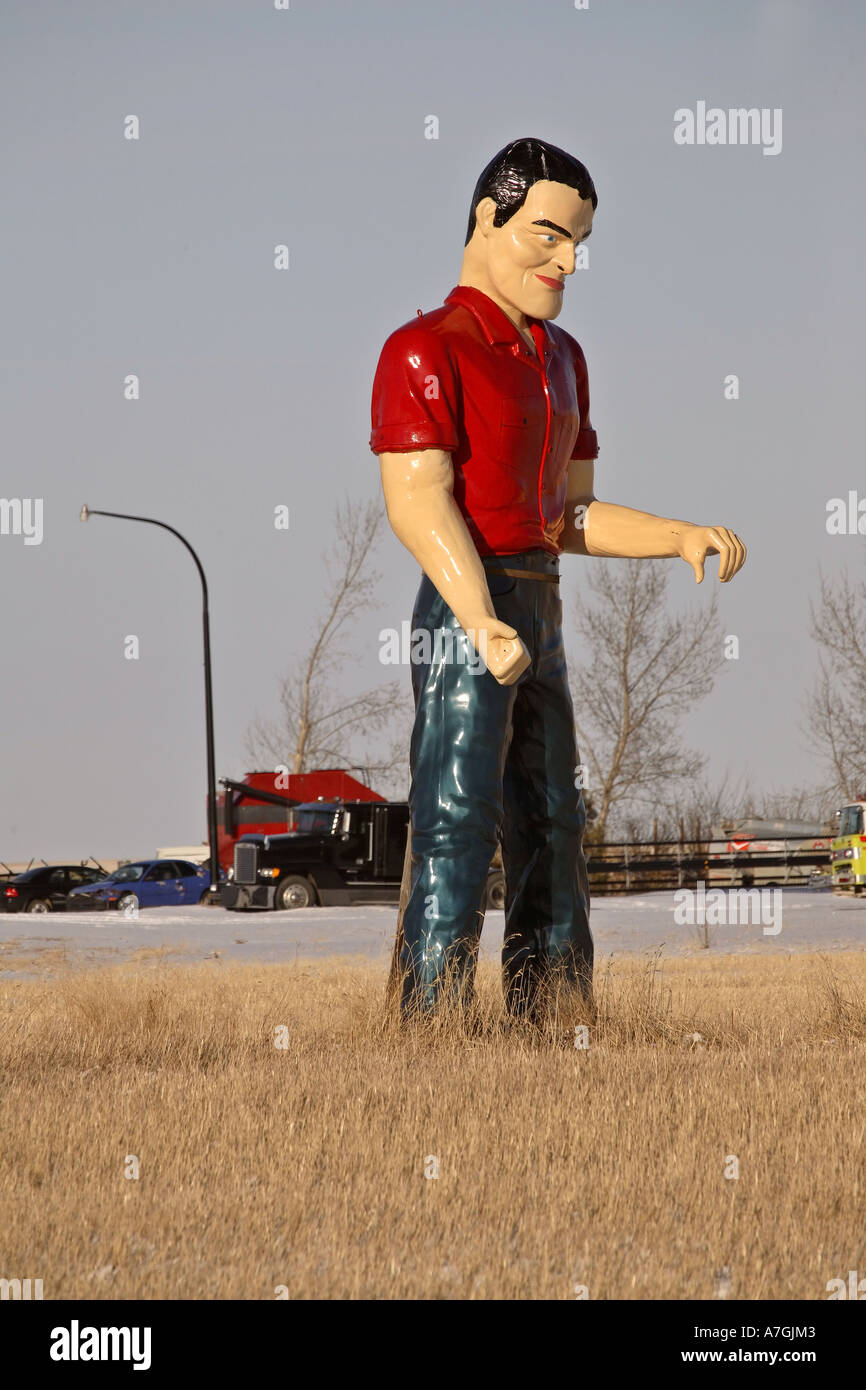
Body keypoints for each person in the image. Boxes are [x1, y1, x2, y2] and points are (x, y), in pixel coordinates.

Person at [370, 137, 746, 1022]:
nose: (568, 261)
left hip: (538, 602)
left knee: (553, 816)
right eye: (547, 235)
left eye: (577, 242)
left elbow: (570, 514)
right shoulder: (423, 350)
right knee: (457, 814)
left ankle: (553, 1011)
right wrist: (477, 616)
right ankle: (432, 1015)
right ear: (485, 219)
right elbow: (419, 502)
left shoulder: (563, 358)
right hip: (471, 606)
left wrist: (674, 535)